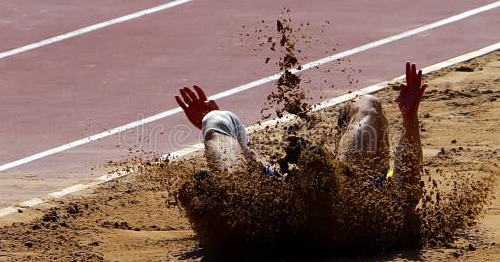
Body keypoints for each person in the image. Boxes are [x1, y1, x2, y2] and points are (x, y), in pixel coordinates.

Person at [174, 61, 427, 238]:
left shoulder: (377, 196)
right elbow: (409, 173)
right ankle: (233, 194)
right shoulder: (381, 183)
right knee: (369, 103)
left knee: (218, 119)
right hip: (287, 206)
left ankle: (232, 195)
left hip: (324, 208)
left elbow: (409, 180)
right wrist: (409, 119)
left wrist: (211, 124)